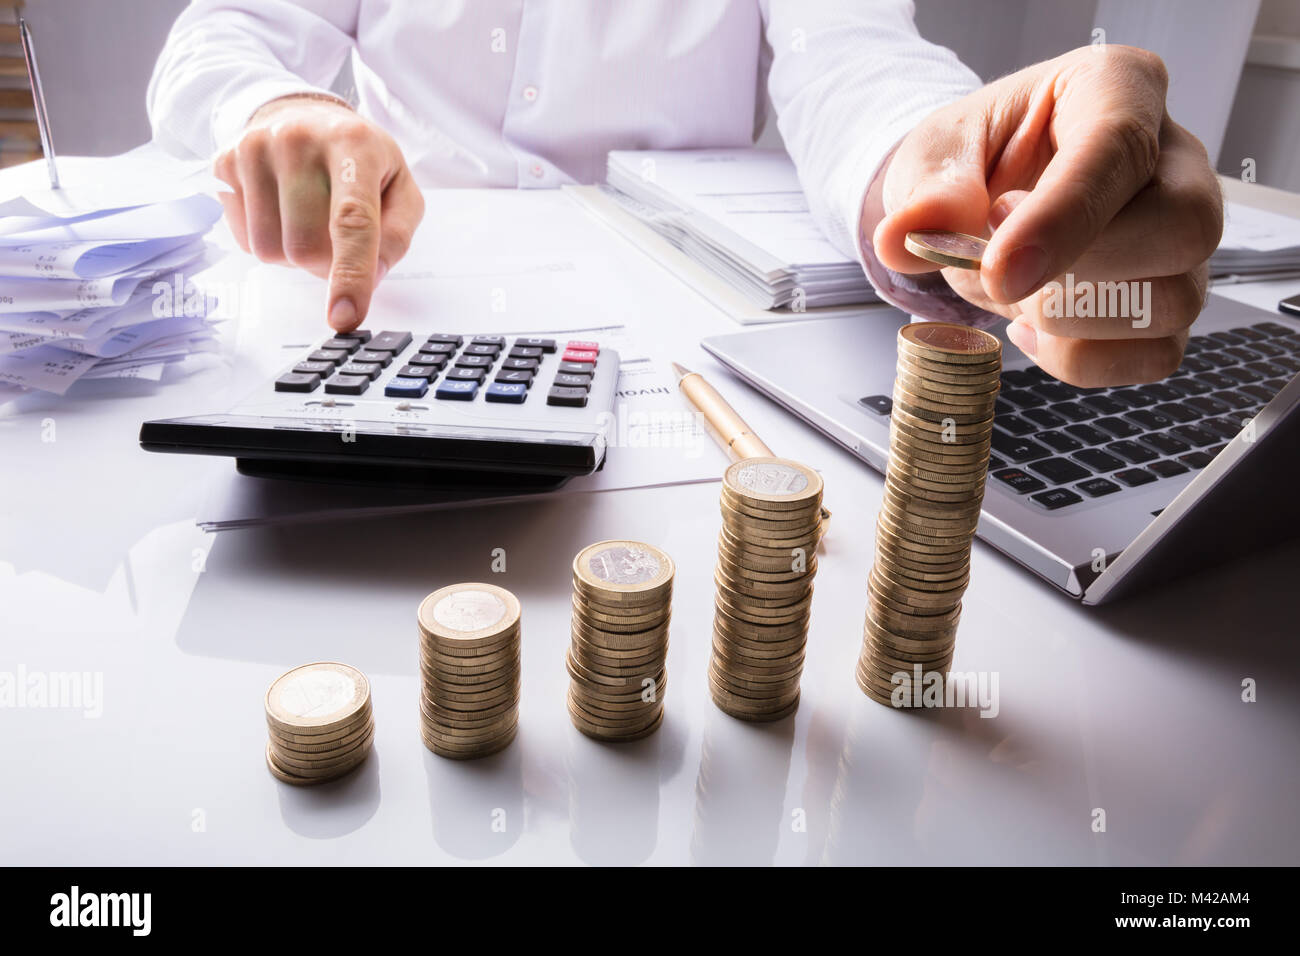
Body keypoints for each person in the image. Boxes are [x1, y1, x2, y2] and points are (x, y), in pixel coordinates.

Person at [148, 0, 1223, 387]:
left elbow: (849, 54)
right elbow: (218, 37)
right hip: (400, 305)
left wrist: (951, 169)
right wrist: (275, 106)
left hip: (681, 338)